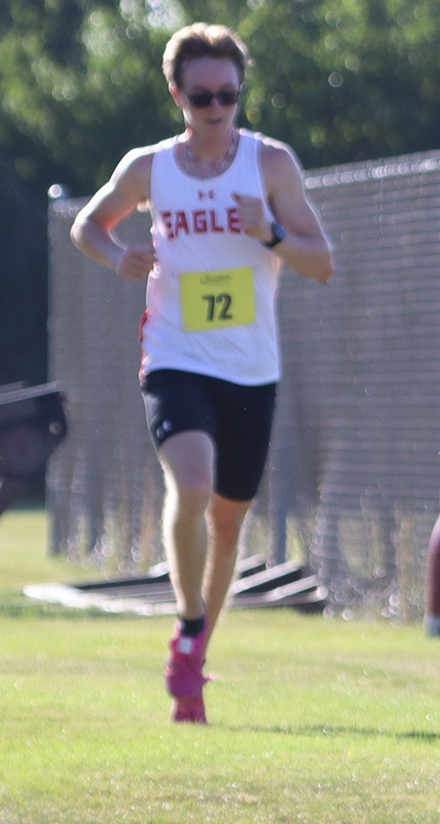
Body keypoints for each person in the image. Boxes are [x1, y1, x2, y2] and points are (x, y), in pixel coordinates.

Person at [71, 23, 335, 723]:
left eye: (228, 95)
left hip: (251, 368)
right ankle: (189, 619)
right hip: (175, 356)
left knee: (227, 524)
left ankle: (193, 655)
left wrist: (270, 232)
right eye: (202, 97)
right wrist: (117, 255)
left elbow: (322, 261)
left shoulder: (270, 164)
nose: (216, 109)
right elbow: (88, 226)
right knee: (191, 482)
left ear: (240, 92)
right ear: (177, 94)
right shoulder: (150, 168)